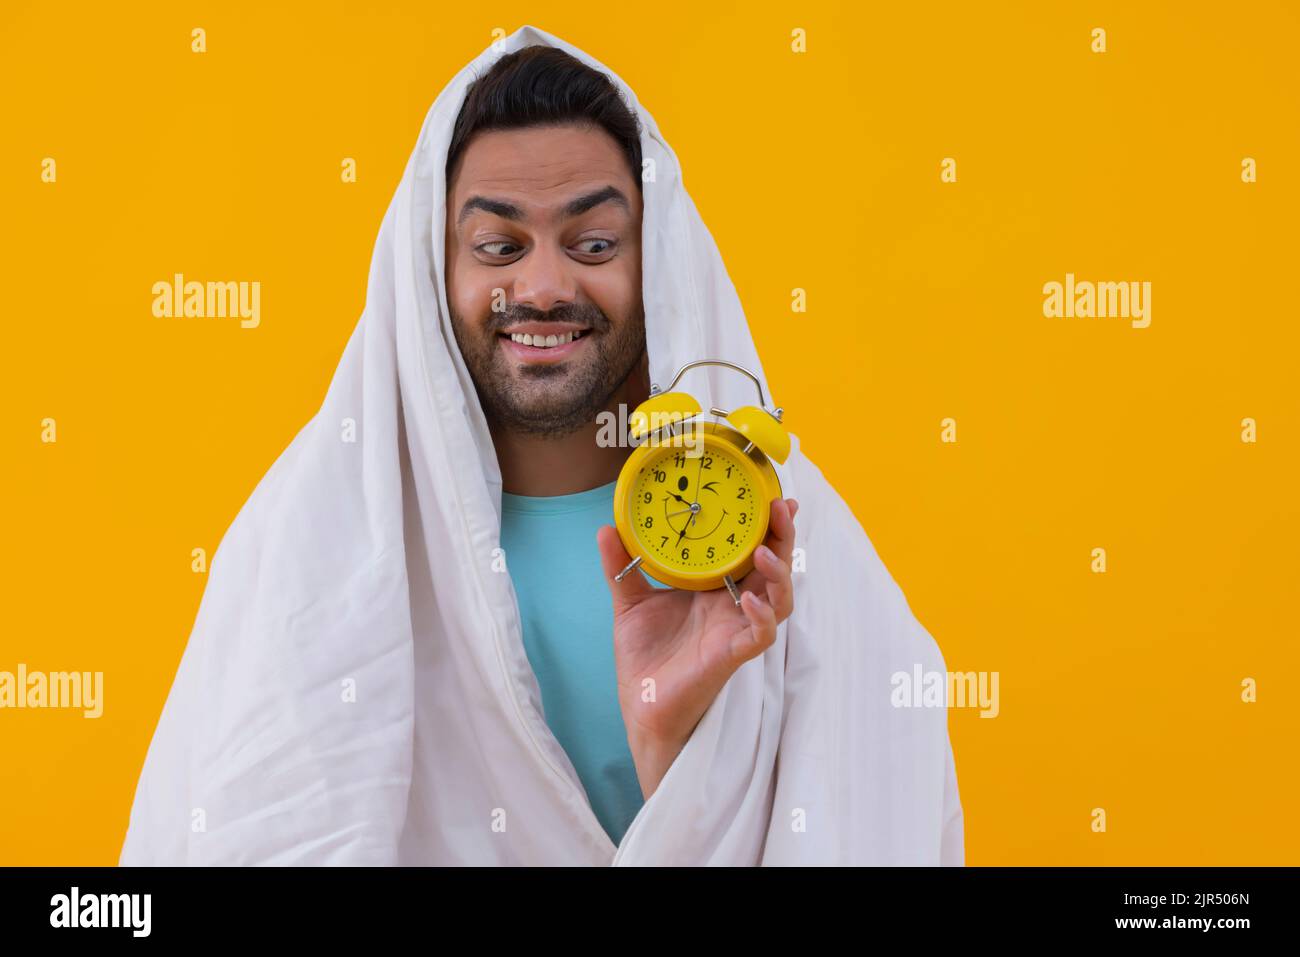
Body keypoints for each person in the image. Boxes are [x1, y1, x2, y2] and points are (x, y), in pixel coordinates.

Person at [119, 25, 964, 866]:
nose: (546, 287)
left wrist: (680, 750)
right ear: (431, 274)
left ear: (659, 264)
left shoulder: (784, 542)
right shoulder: (309, 547)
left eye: (594, 244)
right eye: (498, 247)